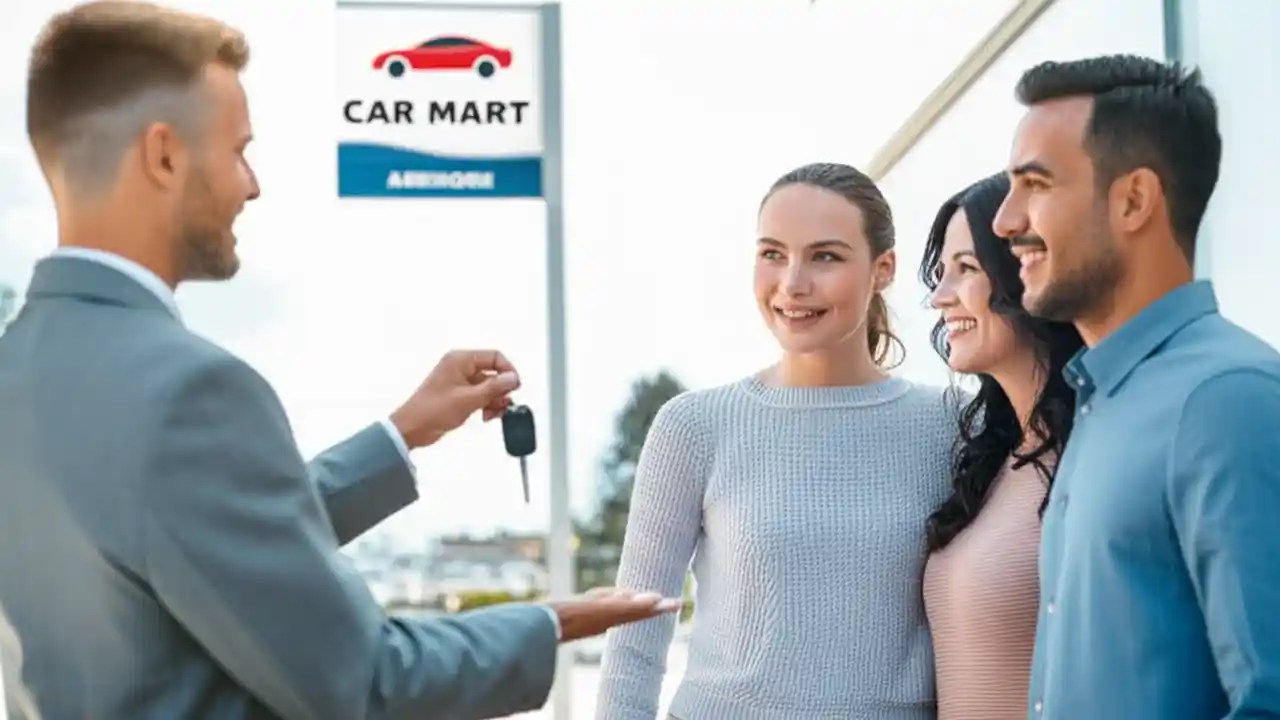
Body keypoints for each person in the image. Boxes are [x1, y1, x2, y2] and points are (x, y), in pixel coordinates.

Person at [0, 2, 678, 719]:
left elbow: (205, 541)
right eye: (239, 151)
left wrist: (402, 434)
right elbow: (368, 681)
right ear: (164, 155)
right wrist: (552, 621)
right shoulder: (191, 389)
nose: (252, 184)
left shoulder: (18, 369)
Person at [594, 162, 959, 720]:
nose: (792, 284)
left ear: (883, 269)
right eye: (772, 254)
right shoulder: (694, 426)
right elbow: (634, 635)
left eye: (825, 256)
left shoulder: (953, 423)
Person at [993, 54, 1280, 719]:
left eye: (1035, 184)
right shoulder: (1103, 398)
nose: (1006, 220)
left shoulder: (1225, 400)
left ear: (1134, 201)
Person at [916, 172, 1082, 720]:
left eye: (967, 268)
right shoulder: (992, 461)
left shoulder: (1091, 453)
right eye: (942, 273)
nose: (940, 297)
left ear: (1027, 270)